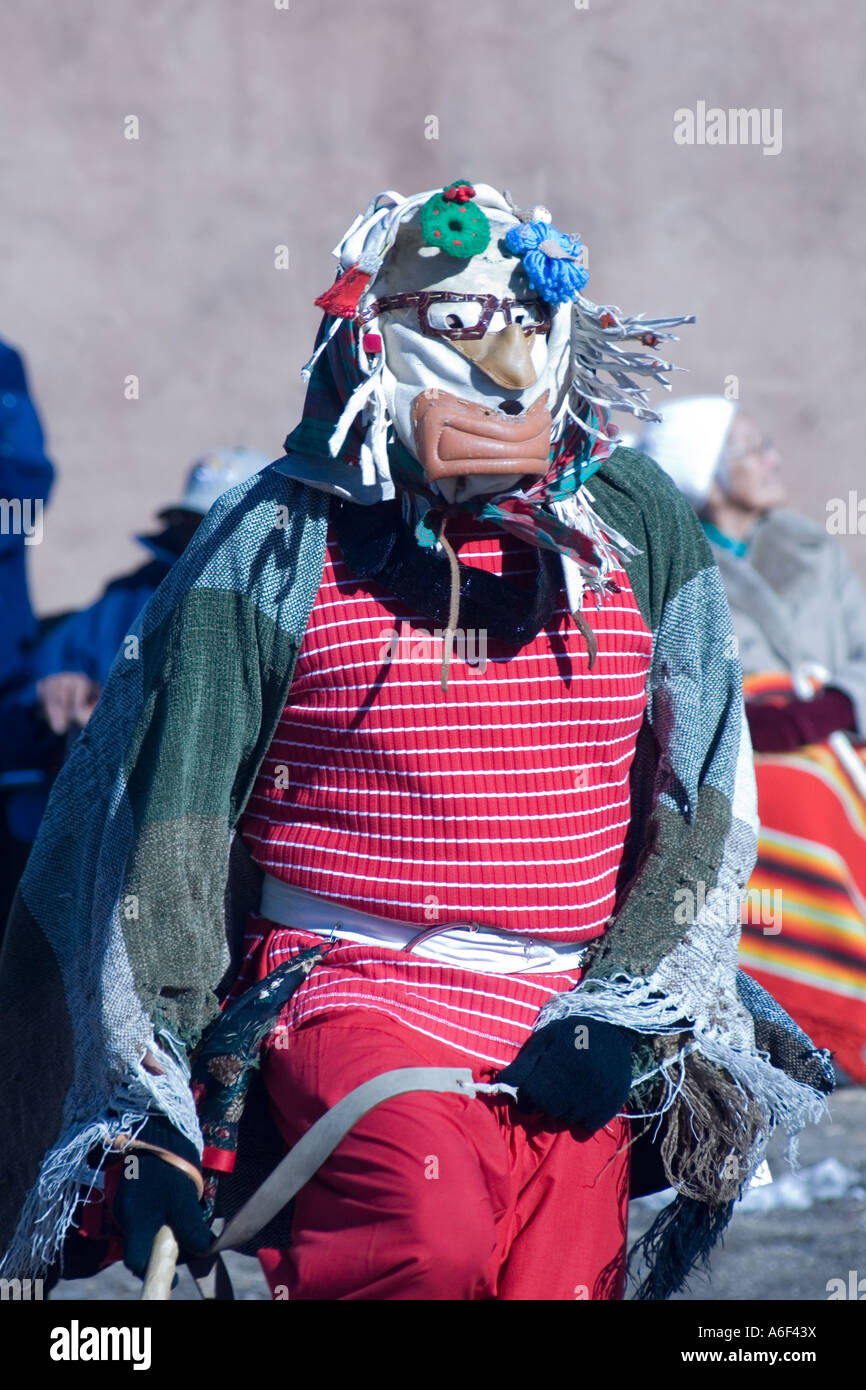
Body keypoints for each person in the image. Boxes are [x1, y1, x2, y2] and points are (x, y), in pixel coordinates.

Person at [0, 183, 833, 1302]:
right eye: (453, 335)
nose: (494, 367)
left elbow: (704, 787)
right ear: (370, 341)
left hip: (565, 1007)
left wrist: (623, 1005)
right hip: (347, 986)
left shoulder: (633, 520)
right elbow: (171, 828)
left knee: (548, 1285)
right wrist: (156, 1106)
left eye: (518, 331)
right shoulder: (274, 538)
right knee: (425, 1242)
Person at [641, 396, 866, 1080]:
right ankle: (823, 1012)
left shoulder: (810, 546)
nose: (772, 458)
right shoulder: (677, 564)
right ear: (707, 473)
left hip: (835, 734)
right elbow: (668, 671)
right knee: (807, 793)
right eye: (750, 449)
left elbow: (860, 650)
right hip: (745, 754)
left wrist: (837, 702)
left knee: (832, 778)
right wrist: (750, 715)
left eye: (769, 442)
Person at [0, 448, 271, 929]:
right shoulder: (129, 598)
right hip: (97, 852)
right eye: (191, 523)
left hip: (225, 863)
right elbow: (30, 696)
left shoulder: (285, 616)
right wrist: (53, 697)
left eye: (217, 526)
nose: (198, 541)